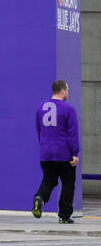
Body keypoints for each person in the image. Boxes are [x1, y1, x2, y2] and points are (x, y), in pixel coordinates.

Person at [33, 79, 80, 223]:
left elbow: (39, 130)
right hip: (63, 153)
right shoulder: (68, 109)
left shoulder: (40, 107)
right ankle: (64, 216)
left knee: (48, 180)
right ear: (62, 90)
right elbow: (73, 133)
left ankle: (40, 197)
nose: (67, 93)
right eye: (67, 90)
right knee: (68, 183)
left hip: (46, 153)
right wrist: (75, 153)